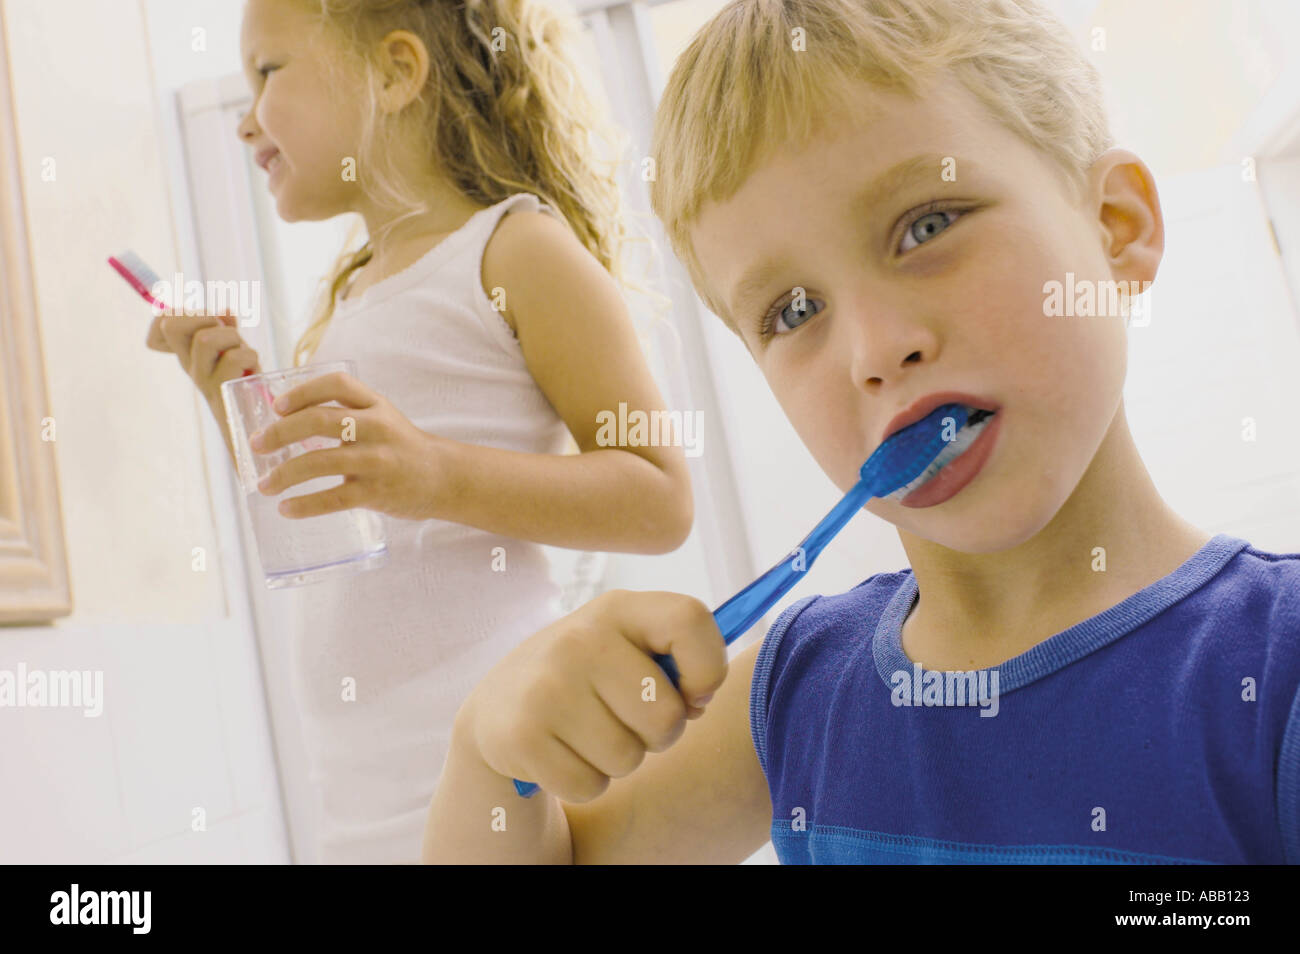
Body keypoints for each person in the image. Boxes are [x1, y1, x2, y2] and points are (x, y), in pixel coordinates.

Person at [423, 0, 1300, 864]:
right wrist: (488, 757)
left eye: (928, 225)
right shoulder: (795, 697)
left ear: (1117, 228)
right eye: (794, 310)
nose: (878, 350)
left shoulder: (1277, 670)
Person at [148, 0, 693, 863]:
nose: (246, 118)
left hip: (499, 770)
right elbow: (327, 519)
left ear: (397, 72)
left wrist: (433, 473)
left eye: (268, 71)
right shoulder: (350, 302)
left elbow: (661, 499)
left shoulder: (514, 250)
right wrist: (234, 403)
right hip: (359, 794)